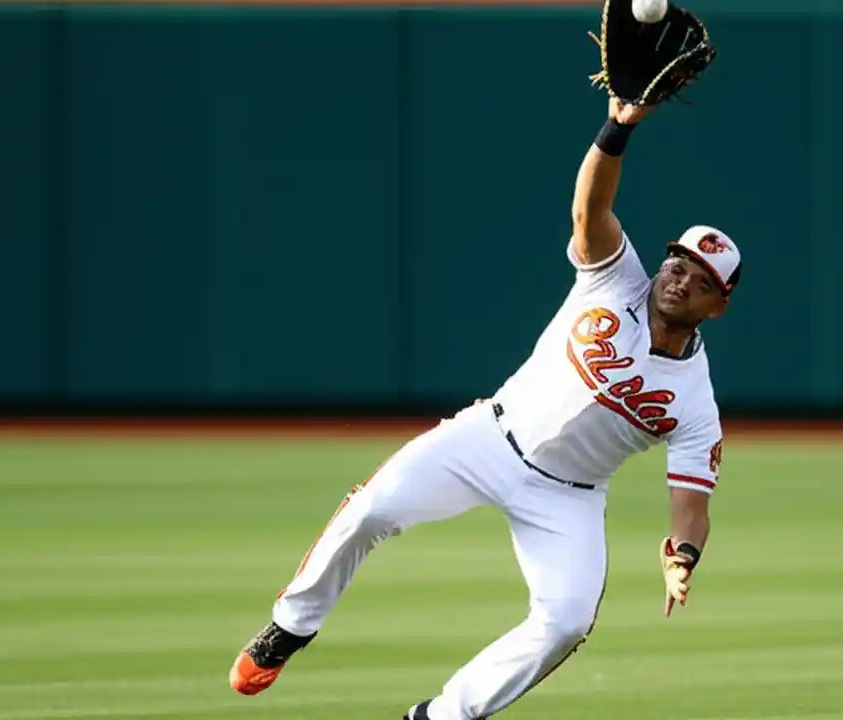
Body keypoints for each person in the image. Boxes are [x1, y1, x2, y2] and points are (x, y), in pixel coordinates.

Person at [229, 95, 742, 720]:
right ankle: (290, 626)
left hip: (569, 497)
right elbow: (591, 206)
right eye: (677, 260)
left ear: (718, 305)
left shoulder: (695, 400)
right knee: (373, 508)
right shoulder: (615, 279)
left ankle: (444, 715)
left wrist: (682, 556)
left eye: (701, 278)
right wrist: (619, 126)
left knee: (566, 621)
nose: (680, 276)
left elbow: (691, 506)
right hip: (489, 438)